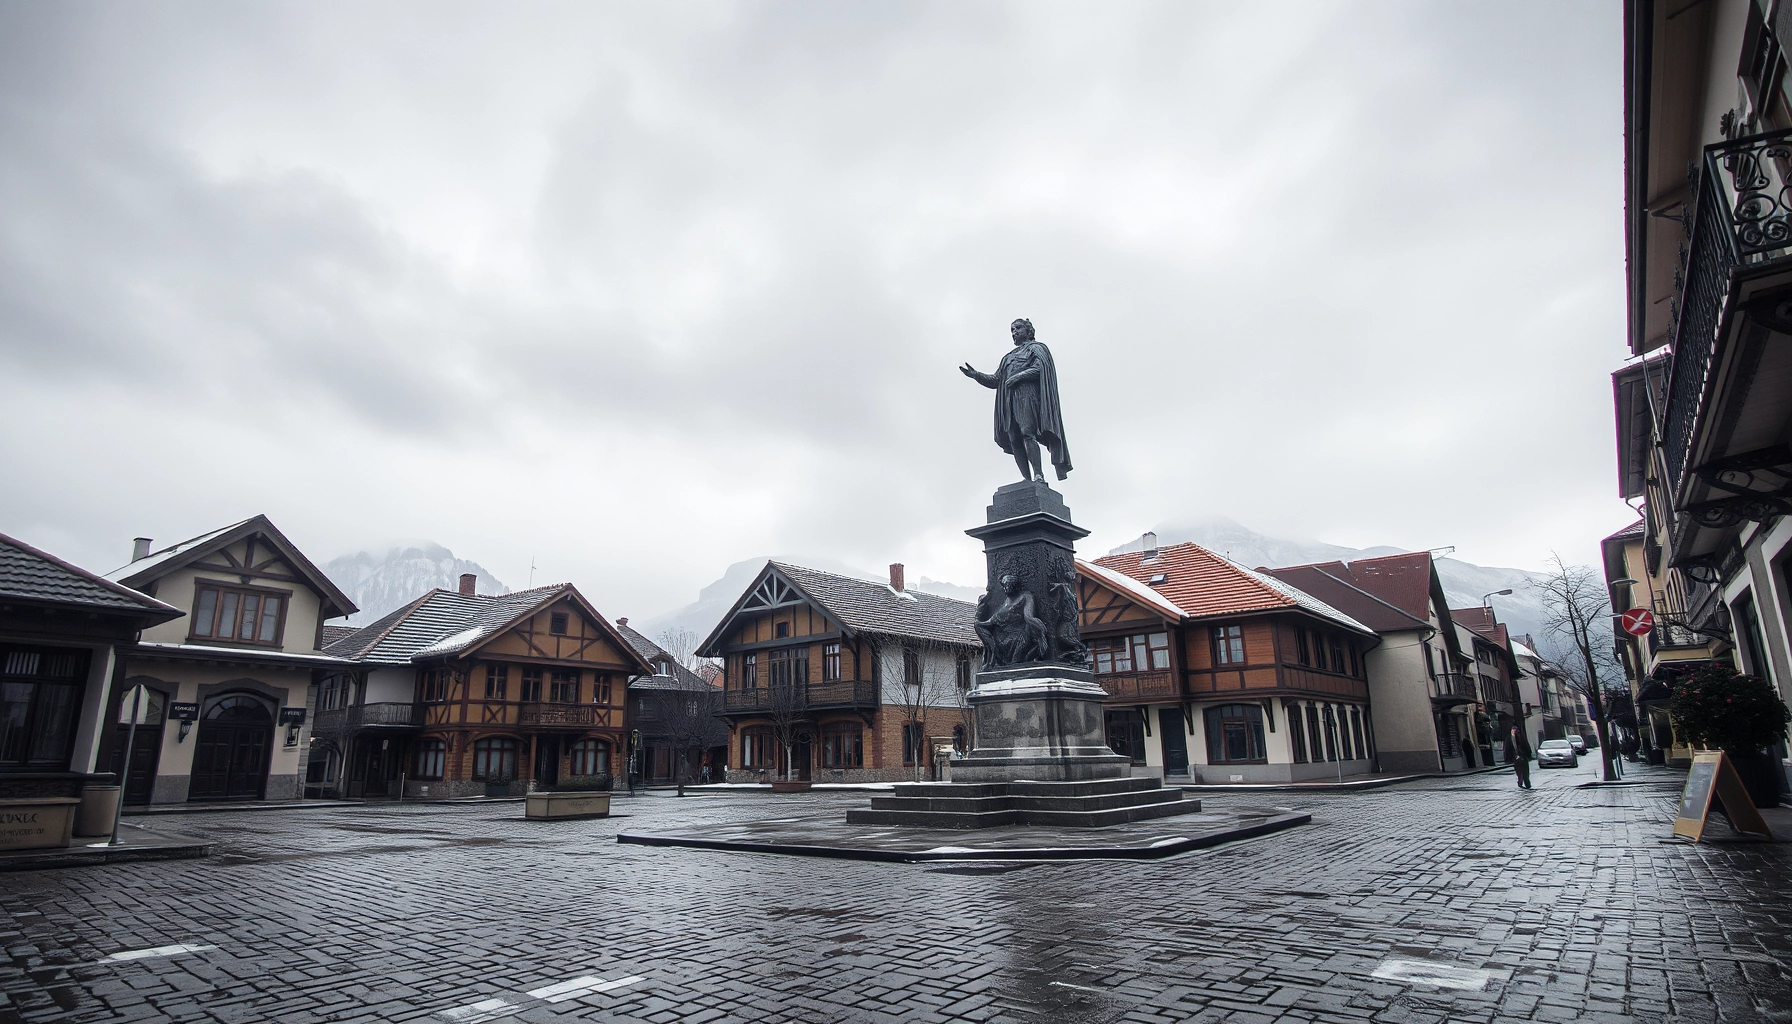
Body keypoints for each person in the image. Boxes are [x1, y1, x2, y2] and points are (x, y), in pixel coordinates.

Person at [959, 318, 1074, 482]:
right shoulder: (1008, 358)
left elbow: (1040, 368)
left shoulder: (1036, 348)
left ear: (1028, 330)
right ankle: (1027, 480)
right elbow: (996, 380)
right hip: (1009, 401)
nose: (1014, 332)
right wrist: (976, 375)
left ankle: (1038, 475)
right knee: (1014, 438)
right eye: (1012, 330)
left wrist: (1018, 377)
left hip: (1028, 397)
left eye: (1018, 328)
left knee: (1028, 433)